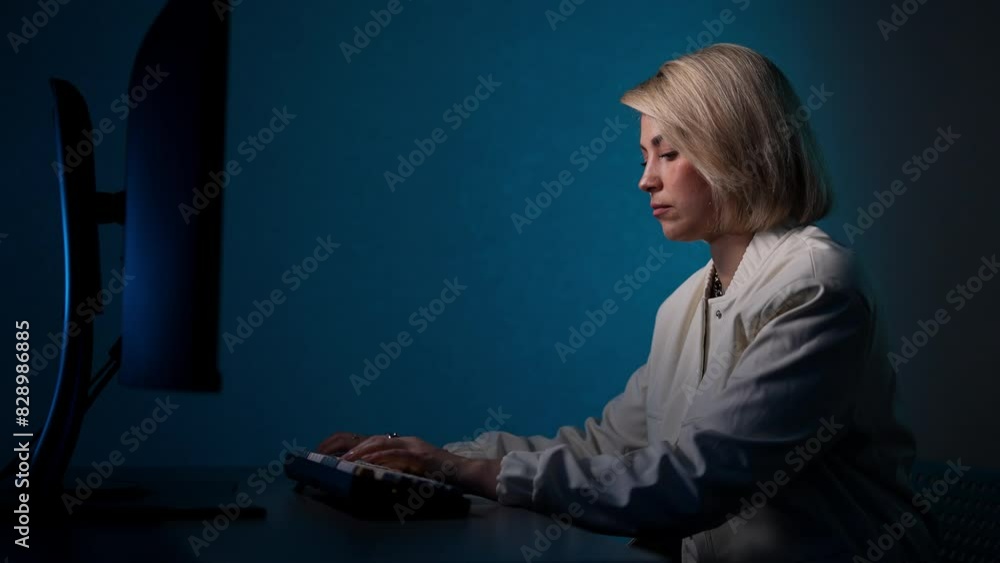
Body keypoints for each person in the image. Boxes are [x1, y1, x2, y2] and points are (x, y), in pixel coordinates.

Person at [317, 43, 935, 562]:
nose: (646, 179)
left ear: (738, 149)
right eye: (645, 157)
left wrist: (468, 475)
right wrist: (432, 459)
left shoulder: (816, 284)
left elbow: (701, 479)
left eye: (669, 153)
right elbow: (607, 444)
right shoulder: (684, 305)